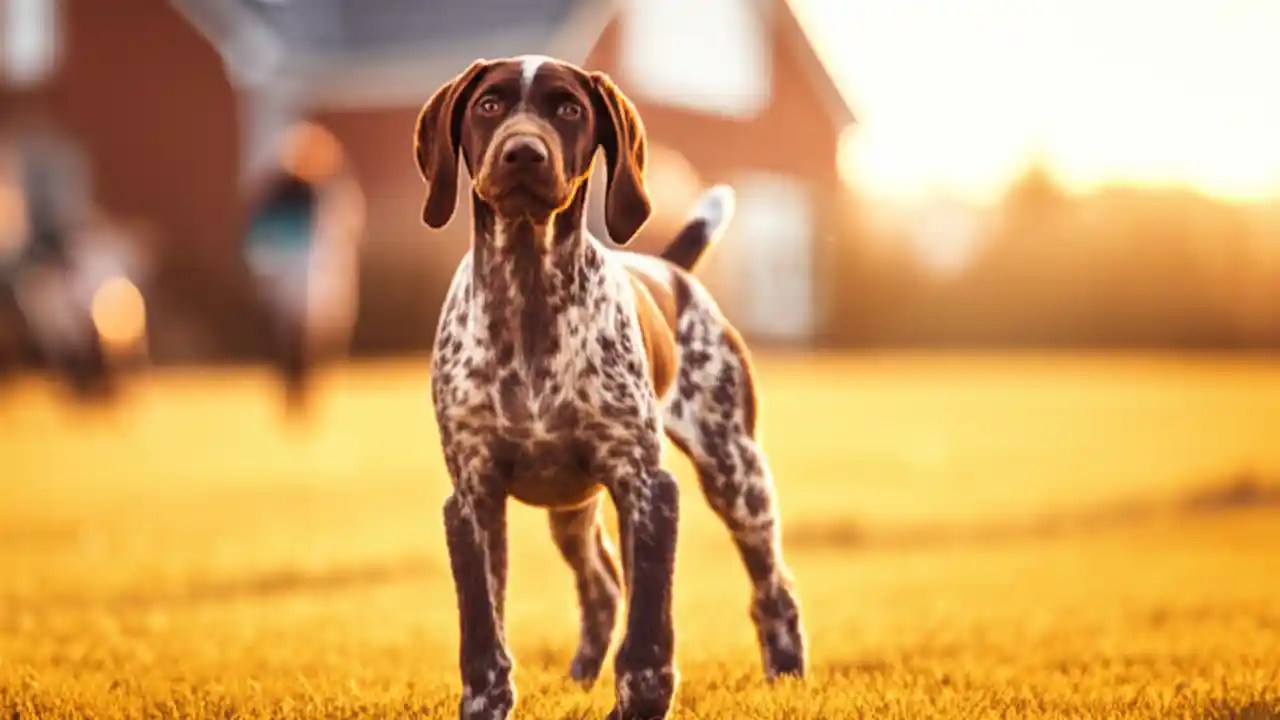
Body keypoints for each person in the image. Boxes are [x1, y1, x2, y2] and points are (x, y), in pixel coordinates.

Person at [243, 121, 364, 418]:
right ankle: (293, 394)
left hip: (322, 276)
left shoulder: (332, 192)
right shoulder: (278, 193)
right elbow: (261, 236)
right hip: (289, 274)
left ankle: (309, 394)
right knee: (290, 339)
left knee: (320, 339)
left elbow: (346, 231)